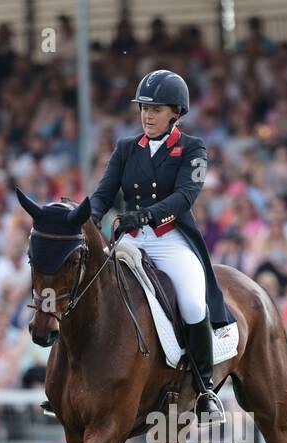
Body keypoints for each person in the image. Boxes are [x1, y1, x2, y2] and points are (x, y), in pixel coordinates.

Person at [88, 69, 228, 423]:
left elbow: (185, 196)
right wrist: (84, 218)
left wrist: (146, 215)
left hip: (170, 239)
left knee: (194, 304)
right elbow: (103, 195)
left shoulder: (192, 148)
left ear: (175, 113)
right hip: (130, 242)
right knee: (85, 289)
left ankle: (204, 387)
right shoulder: (125, 149)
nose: (147, 116)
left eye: (156, 109)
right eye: (143, 109)